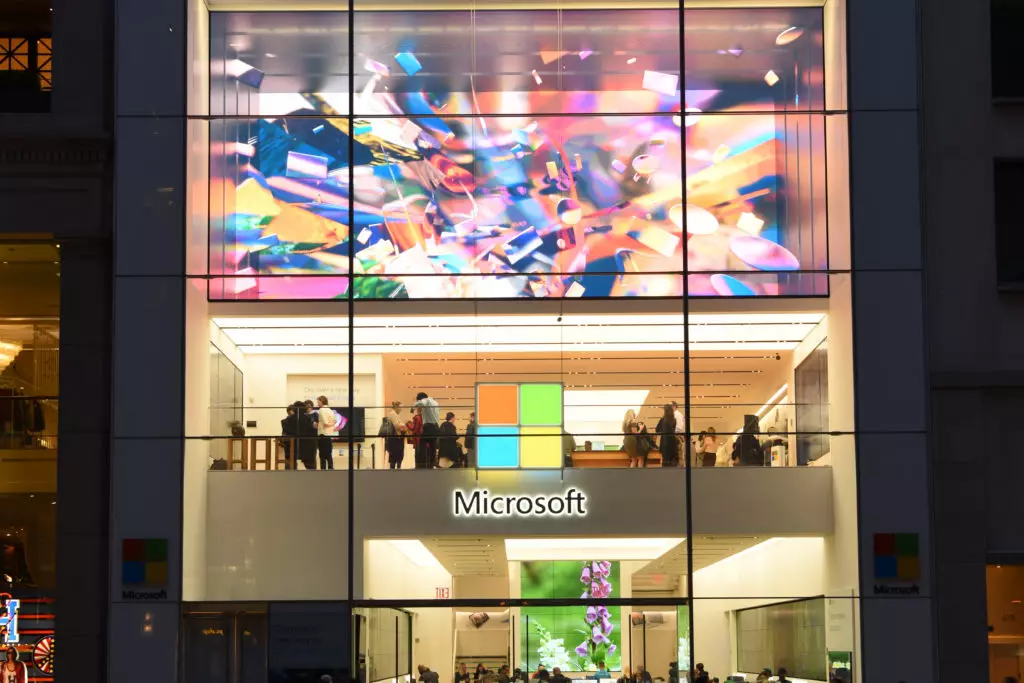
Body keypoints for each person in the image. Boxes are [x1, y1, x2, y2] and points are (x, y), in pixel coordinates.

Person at [413, 392, 440, 468]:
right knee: (432, 448)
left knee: (422, 448)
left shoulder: (425, 401)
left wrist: (412, 407)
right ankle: (431, 465)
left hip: (428, 427)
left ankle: (422, 467)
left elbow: (414, 428)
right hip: (436, 427)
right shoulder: (435, 403)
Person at [315, 395, 337, 470]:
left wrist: (321, 425)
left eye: (318, 401)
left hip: (323, 434)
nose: (317, 403)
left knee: (322, 455)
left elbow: (325, 423)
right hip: (329, 434)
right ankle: (330, 469)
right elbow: (334, 421)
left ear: (322, 401)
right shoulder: (330, 410)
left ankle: (323, 470)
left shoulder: (321, 410)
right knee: (328, 454)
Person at [384, 400, 406, 470]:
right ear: (396, 407)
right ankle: (394, 475)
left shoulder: (394, 414)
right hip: (395, 440)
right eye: (400, 407)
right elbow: (397, 426)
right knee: (395, 457)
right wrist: (404, 425)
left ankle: (394, 474)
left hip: (395, 439)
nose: (401, 409)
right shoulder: (393, 414)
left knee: (395, 457)